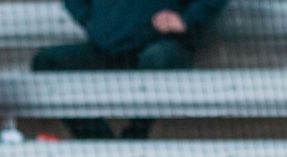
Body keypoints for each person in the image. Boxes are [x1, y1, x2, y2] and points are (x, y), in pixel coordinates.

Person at [30, 0, 230, 140]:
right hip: (107, 49)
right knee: (47, 62)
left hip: (160, 45)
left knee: (159, 58)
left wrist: (187, 19)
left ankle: (137, 132)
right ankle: (99, 143)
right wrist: (93, 23)